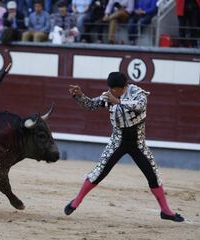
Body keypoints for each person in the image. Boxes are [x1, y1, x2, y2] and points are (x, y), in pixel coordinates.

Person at [64, 72, 184, 223]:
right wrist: (79, 96)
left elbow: (140, 106)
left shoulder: (138, 93)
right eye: (110, 89)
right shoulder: (110, 95)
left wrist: (118, 102)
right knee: (99, 172)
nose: (111, 92)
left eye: (114, 89)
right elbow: (91, 105)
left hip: (138, 143)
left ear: (123, 87)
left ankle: (166, 211)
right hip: (117, 141)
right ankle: (76, 202)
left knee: (153, 175)